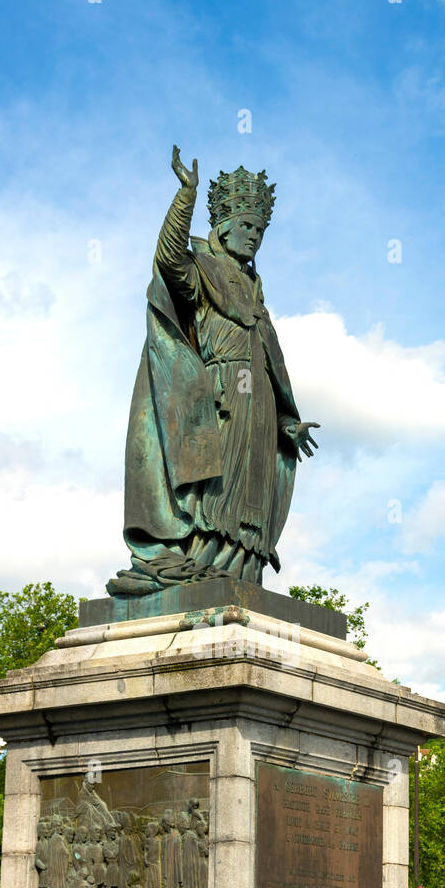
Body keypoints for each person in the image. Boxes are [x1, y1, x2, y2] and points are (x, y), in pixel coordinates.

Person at [108, 146, 319, 595]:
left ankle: (241, 577)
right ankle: (201, 565)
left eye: (259, 230)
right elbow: (167, 261)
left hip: (258, 400)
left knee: (252, 498)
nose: (253, 237)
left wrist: (287, 421)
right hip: (221, 393)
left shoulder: (255, 294)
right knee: (216, 490)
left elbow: (270, 363)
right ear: (222, 225)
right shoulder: (202, 269)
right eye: (246, 226)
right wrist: (185, 196)